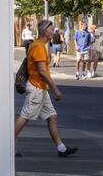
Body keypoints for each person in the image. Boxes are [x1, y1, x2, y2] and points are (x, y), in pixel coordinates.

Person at [14, 20, 77, 157]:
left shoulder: (38, 45)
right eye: (51, 29)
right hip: (36, 88)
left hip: (41, 88)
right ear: (44, 32)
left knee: (52, 117)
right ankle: (8, 145)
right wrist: (56, 89)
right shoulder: (39, 47)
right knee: (24, 117)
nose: (53, 31)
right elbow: (42, 71)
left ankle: (61, 148)